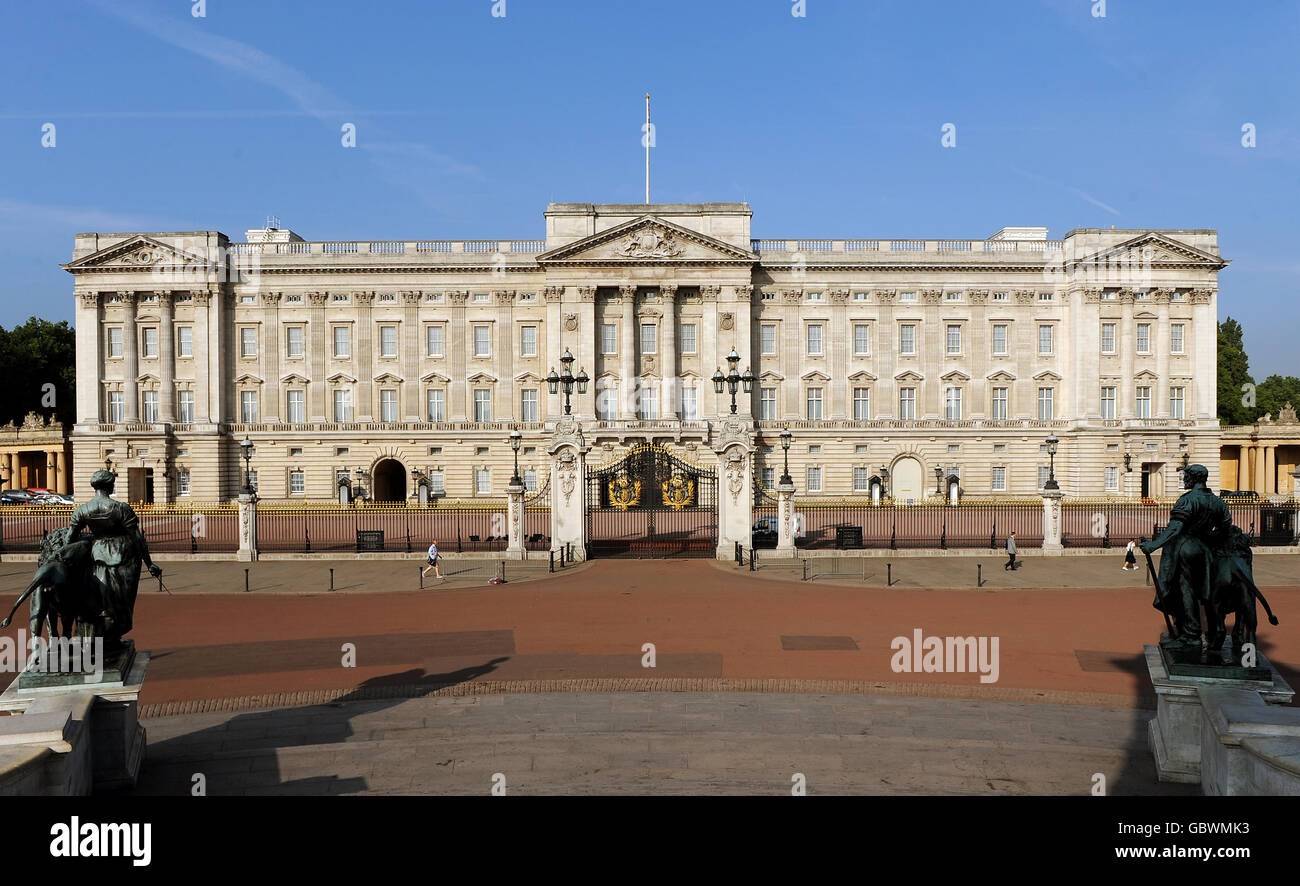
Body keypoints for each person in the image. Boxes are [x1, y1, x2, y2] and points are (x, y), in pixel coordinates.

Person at [66, 470, 162, 648]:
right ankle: (111, 639)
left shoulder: (82, 509)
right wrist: (149, 563)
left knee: (100, 599)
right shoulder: (121, 508)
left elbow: (69, 540)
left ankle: (104, 639)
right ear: (108, 485)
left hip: (96, 555)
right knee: (120, 600)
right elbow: (137, 538)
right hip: (123, 556)